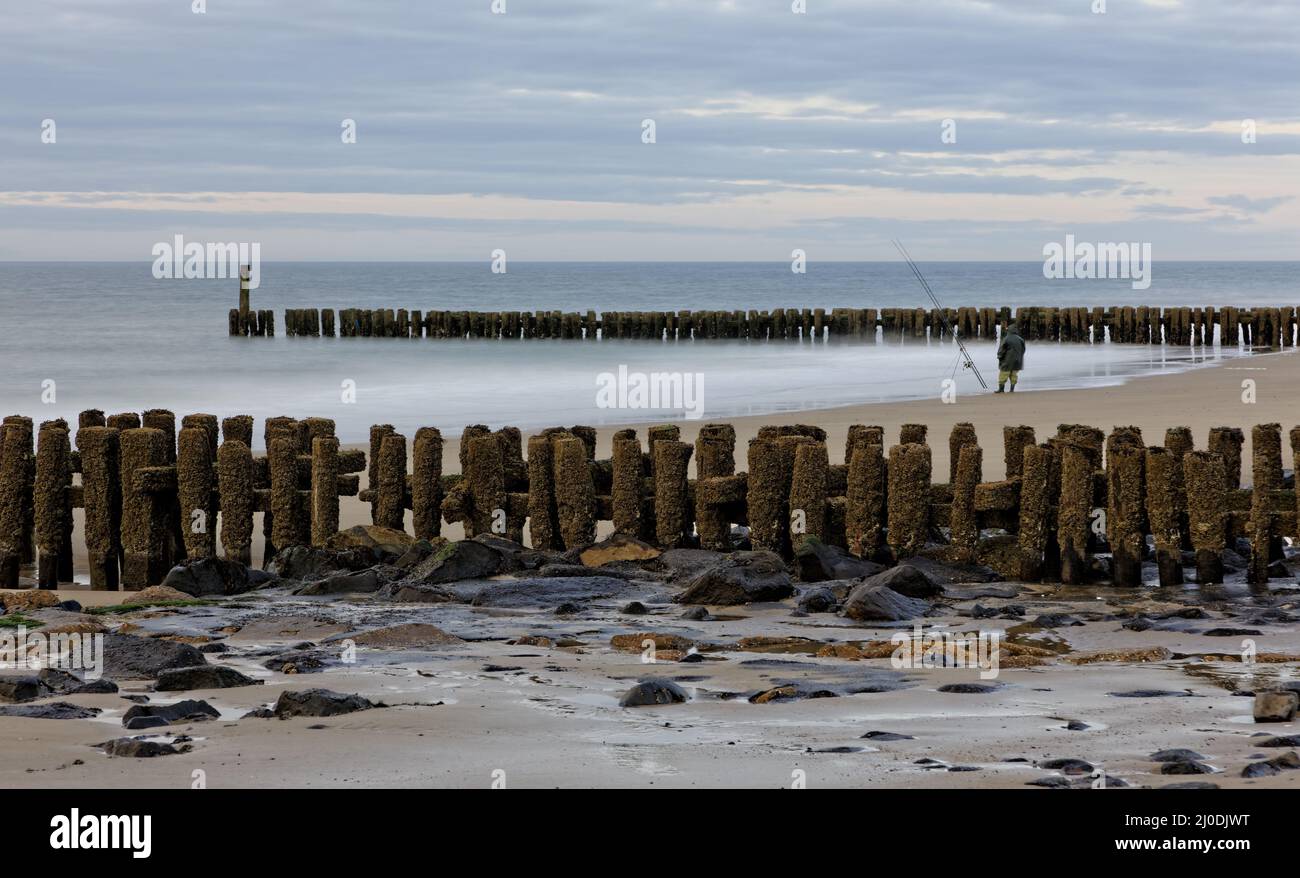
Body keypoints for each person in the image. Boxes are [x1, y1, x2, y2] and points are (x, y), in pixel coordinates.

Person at [996, 323, 1025, 393]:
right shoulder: (1020, 339)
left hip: (1007, 360)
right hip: (1018, 361)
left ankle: (1001, 389)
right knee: (1014, 375)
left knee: (1003, 374)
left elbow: (1001, 350)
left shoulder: (1006, 338)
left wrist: (999, 356)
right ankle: (1012, 389)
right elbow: (1023, 350)